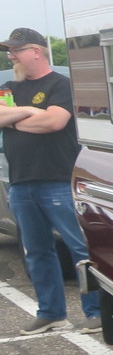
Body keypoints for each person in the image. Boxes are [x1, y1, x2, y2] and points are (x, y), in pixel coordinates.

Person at [0, 28, 100, 334]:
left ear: (36, 52)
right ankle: (51, 312)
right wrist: (31, 112)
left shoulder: (61, 84)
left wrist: (16, 117)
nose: (10, 56)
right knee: (37, 251)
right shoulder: (8, 86)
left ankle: (96, 312)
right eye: (9, 51)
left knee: (80, 248)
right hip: (20, 183)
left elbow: (56, 121)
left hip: (57, 179)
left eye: (16, 51)